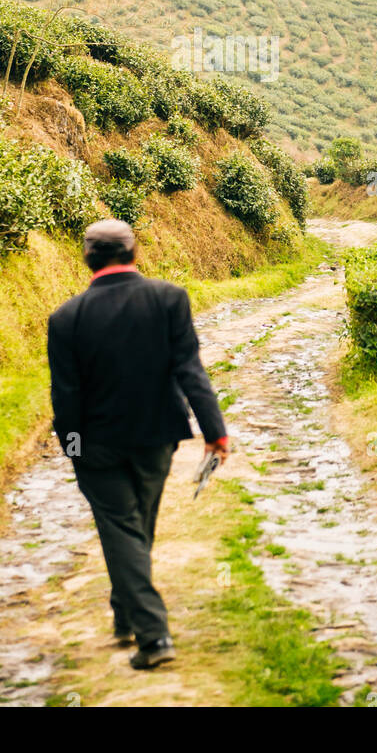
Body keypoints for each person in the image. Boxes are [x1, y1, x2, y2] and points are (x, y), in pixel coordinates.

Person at [47, 217, 229, 670]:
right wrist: (215, 432)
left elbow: (65, 396)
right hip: (157, 438)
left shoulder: (66, 318)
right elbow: (191, 370)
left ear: (87, 257)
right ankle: (127, 615)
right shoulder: (168, 299)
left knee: (124, 530)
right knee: (135, 527)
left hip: (96, 446)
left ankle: (153, 636)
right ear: (135, 253)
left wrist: (72, 451)